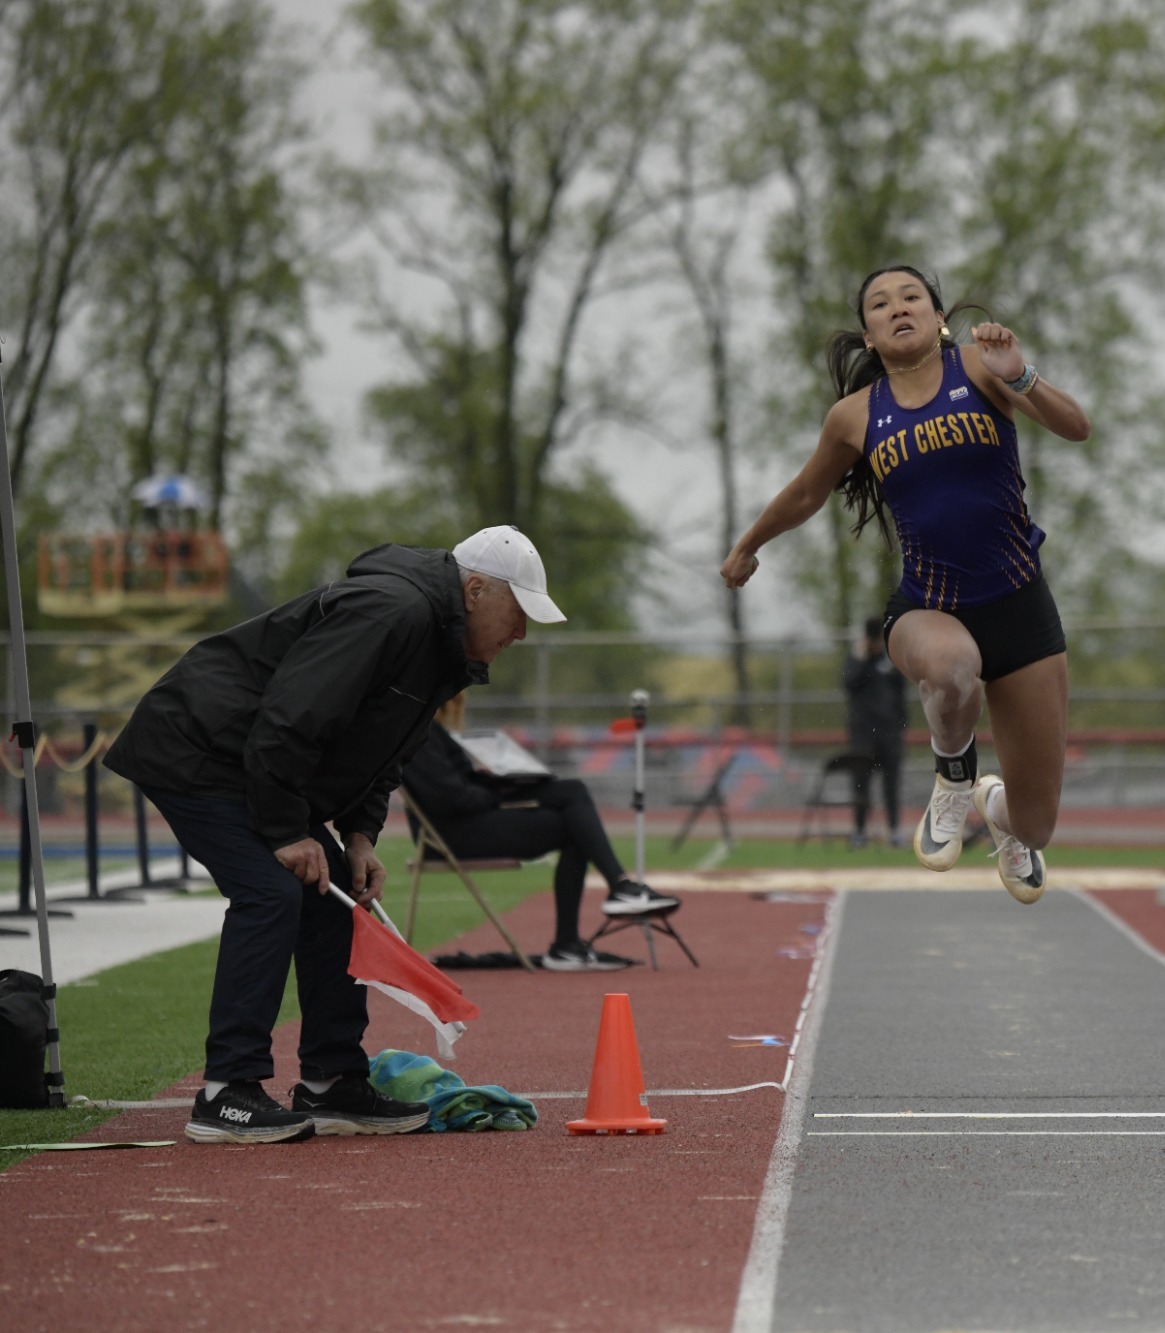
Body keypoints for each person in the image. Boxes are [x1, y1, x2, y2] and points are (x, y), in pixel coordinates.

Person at [105, 526, 564, 1145]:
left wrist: (358, 836)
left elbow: (385, 752)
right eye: (518, 614)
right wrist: (288, 831)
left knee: (339, 904)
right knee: (273, 893)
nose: (522, 634)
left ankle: (330, 1083)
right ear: (476, 590)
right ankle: (226, 1092)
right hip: (201, 748)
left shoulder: (441, 645)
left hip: (252, 761)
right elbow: (291, 716)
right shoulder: (390, 612)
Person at [721, 265, 1090, 903]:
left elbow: (1076, 426)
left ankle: (998, 809)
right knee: (952, 668)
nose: (898, 308)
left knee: (1039, 825)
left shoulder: (980, 367)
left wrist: (1020, 375)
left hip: (1021, 609)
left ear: (937, 315)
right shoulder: (855, 416)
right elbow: (808, 491)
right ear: (868, 336)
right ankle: (953, 775)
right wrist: (749, 544)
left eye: (911, 297)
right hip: (929, 609)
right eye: (880, 304)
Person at [400, 695, 678, 970]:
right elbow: (452, 798)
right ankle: (588, 921)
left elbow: (459, 788)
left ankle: (613, 895)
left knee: (572, 792)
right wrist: (498, 791)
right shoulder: (418, 731)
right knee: (572, 825)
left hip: (468, 820)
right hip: (452, 836)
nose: (461, 699)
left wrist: (505, 781)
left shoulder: (430, 730)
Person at [842, 616, 907, 848]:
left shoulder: (890, 660)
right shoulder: (856, 659)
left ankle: (894, 831)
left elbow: (900, 694)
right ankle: (859, 831)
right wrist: (863, 659)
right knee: (861, 782)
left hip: (889, 732)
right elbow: (848, 684)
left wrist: (901, 725)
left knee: (891, 783)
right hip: (862, 732)